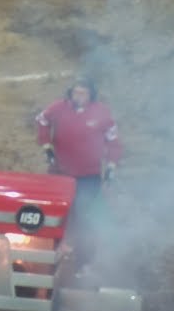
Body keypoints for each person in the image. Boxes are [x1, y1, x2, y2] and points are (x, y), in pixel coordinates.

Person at [35, 74, 123, 269]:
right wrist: (46, 146)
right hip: (60, 172)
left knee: (82, 212)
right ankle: (52, 253)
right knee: (56, 212)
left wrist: (111, 166)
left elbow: (114, 143)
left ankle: (80, 258)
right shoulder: (58, 108)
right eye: (76, 93)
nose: (78, 97)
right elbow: (42, 121)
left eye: (83, 93)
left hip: (88, 176)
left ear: (91, 96)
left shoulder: (102, 114)